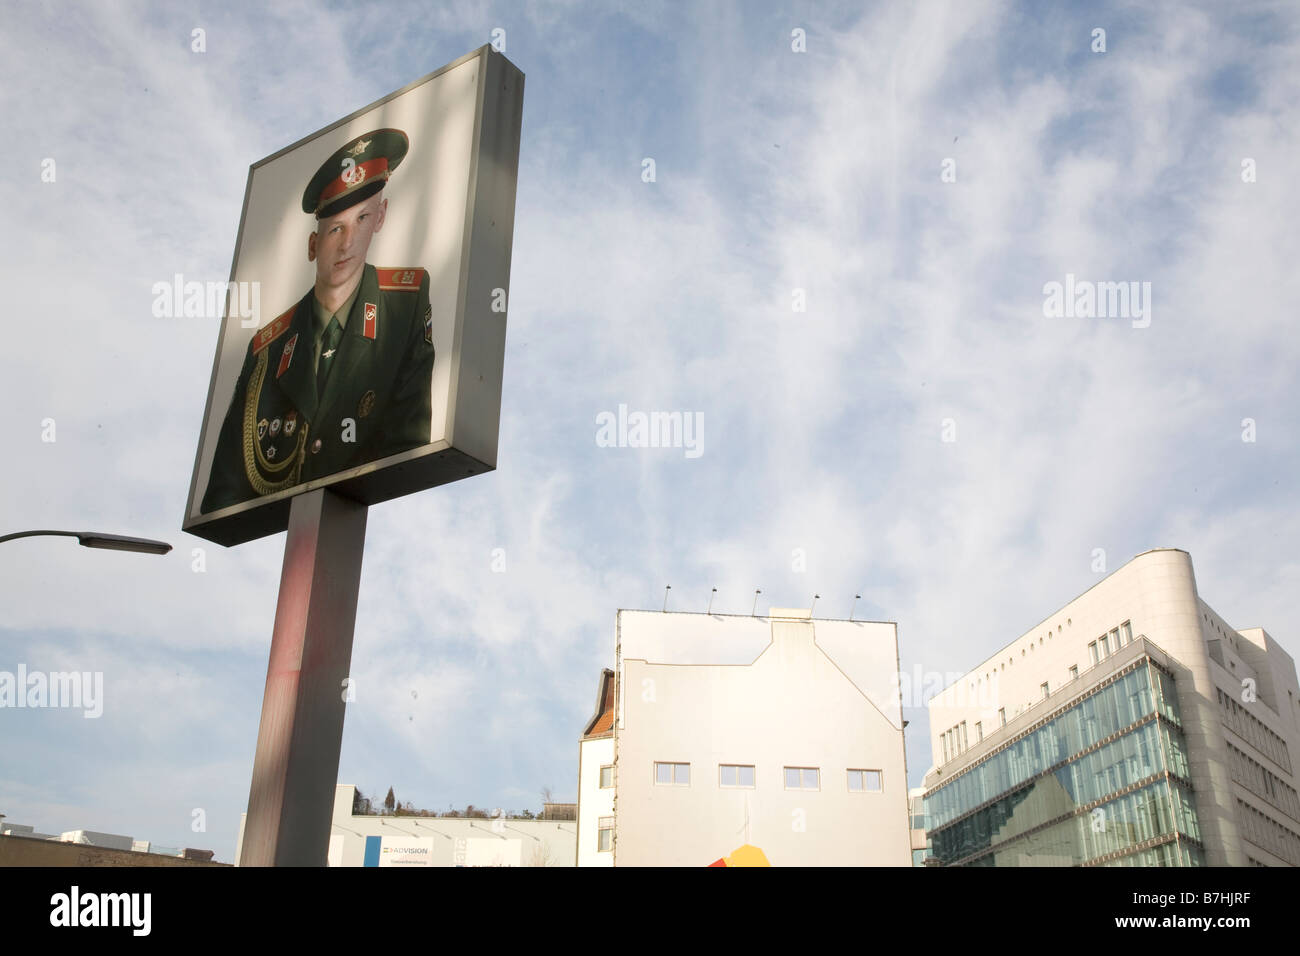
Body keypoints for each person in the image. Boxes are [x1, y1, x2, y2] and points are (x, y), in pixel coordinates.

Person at [201, 128, 434, 513]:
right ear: (313, 244)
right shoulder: (267, 349)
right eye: (336, 229)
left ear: (381, 217)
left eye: (362, 219)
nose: (347, 244)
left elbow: (407, 445)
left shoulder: (404, 305)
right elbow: (224, 491)